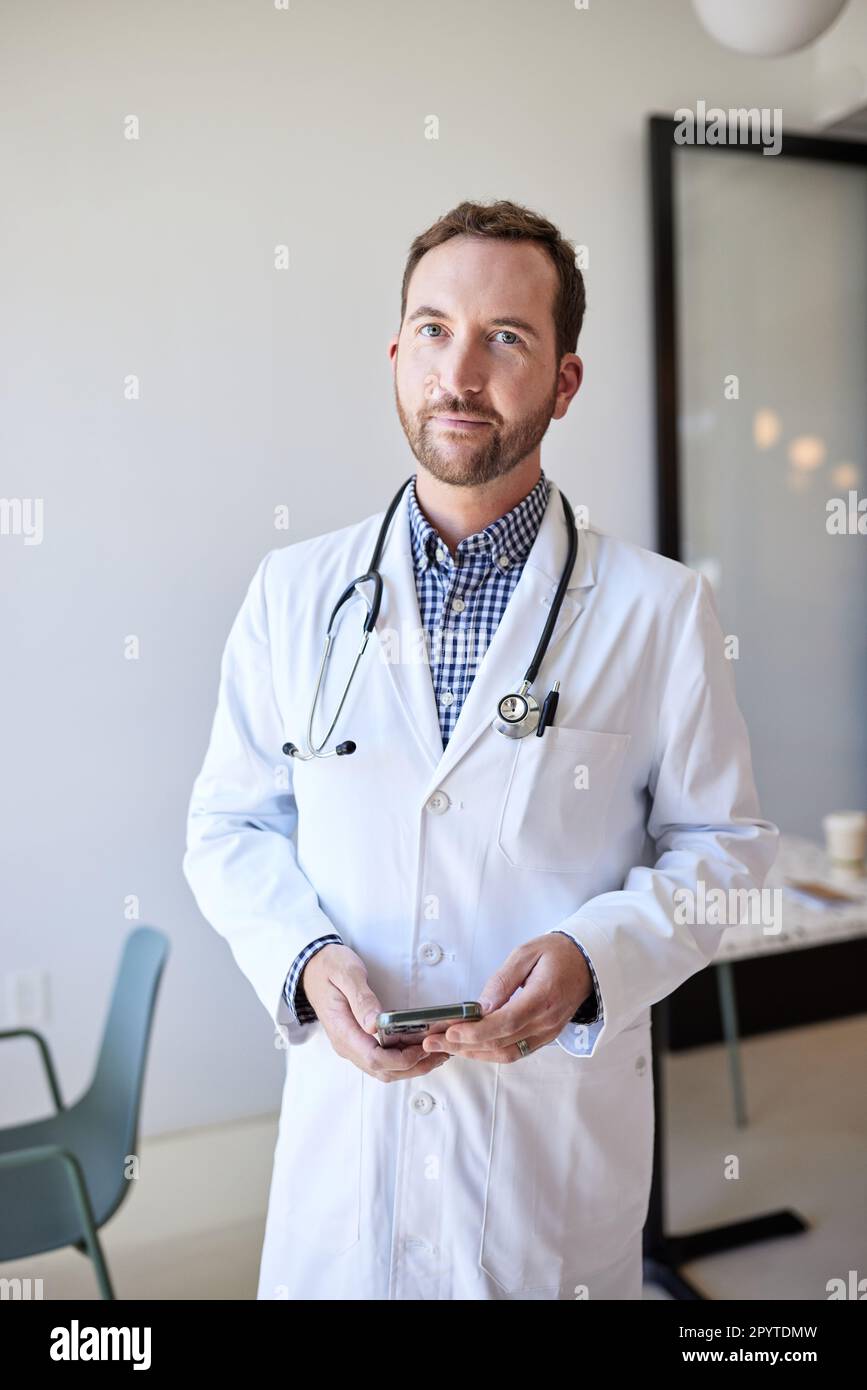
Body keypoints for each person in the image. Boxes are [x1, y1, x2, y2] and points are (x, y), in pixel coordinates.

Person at [182, 198, 778, 1300]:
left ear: (564, 380)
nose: (458, 373)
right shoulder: (293, 592)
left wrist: (595, 960)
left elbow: (727, 847)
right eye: (433, 329)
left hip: (546, 1165)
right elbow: (229, 825)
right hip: (345, 1159)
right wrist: (305, 959)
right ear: (396, 354)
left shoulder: (657, 608)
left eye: (505, 337)